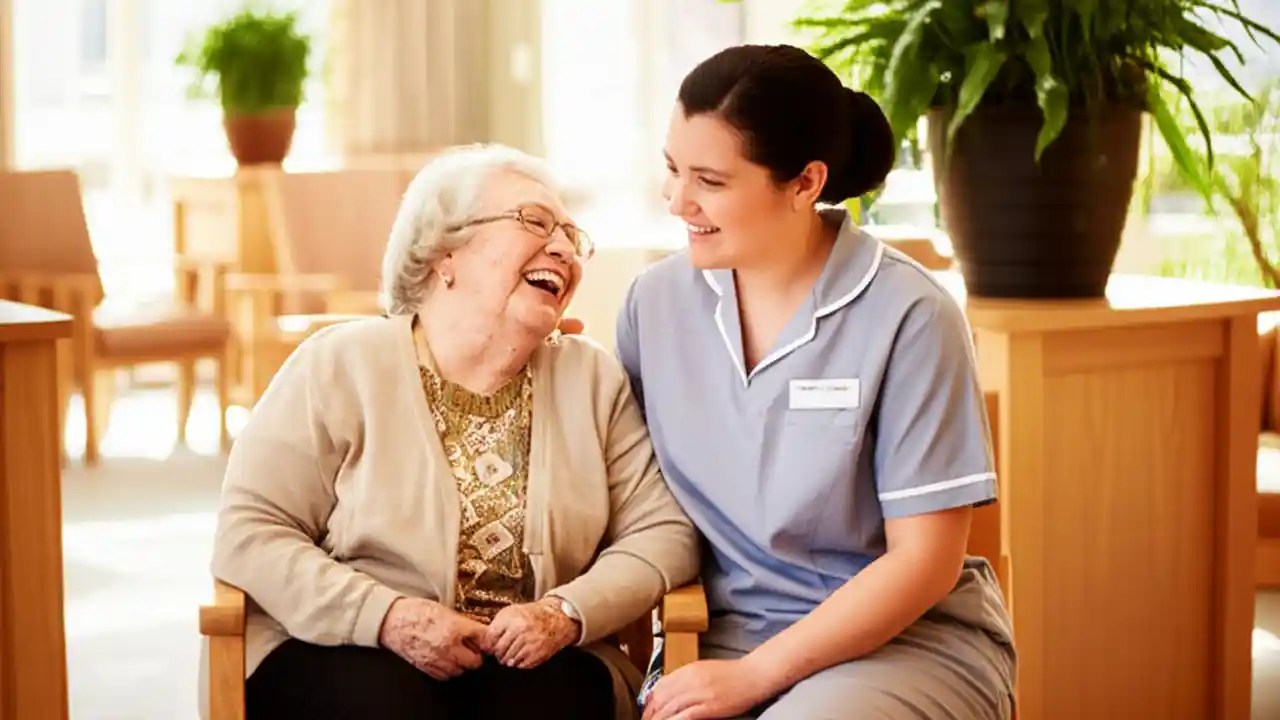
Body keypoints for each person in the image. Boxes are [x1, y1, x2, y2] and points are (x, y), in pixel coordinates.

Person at [207, 144, 700, 720]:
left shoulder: (590, 377)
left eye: (572, 235)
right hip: (344, 646)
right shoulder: (339, 364)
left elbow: (664, 532)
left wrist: (564, 613)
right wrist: (387, 617)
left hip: (537, 662)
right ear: (445, 253)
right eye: (536, 223)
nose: (563, 248)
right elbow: (250, 533)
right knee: (387, 705)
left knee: (553, 702)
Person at [619, 45, 1017, 719]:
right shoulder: (653, 306)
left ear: (805, 183)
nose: (678, 201)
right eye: (672, 169)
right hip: (717, 639)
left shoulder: (912, 316)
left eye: (710, 181)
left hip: (904, 646)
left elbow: (924, 563)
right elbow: (621, 491)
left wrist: (756, 677)